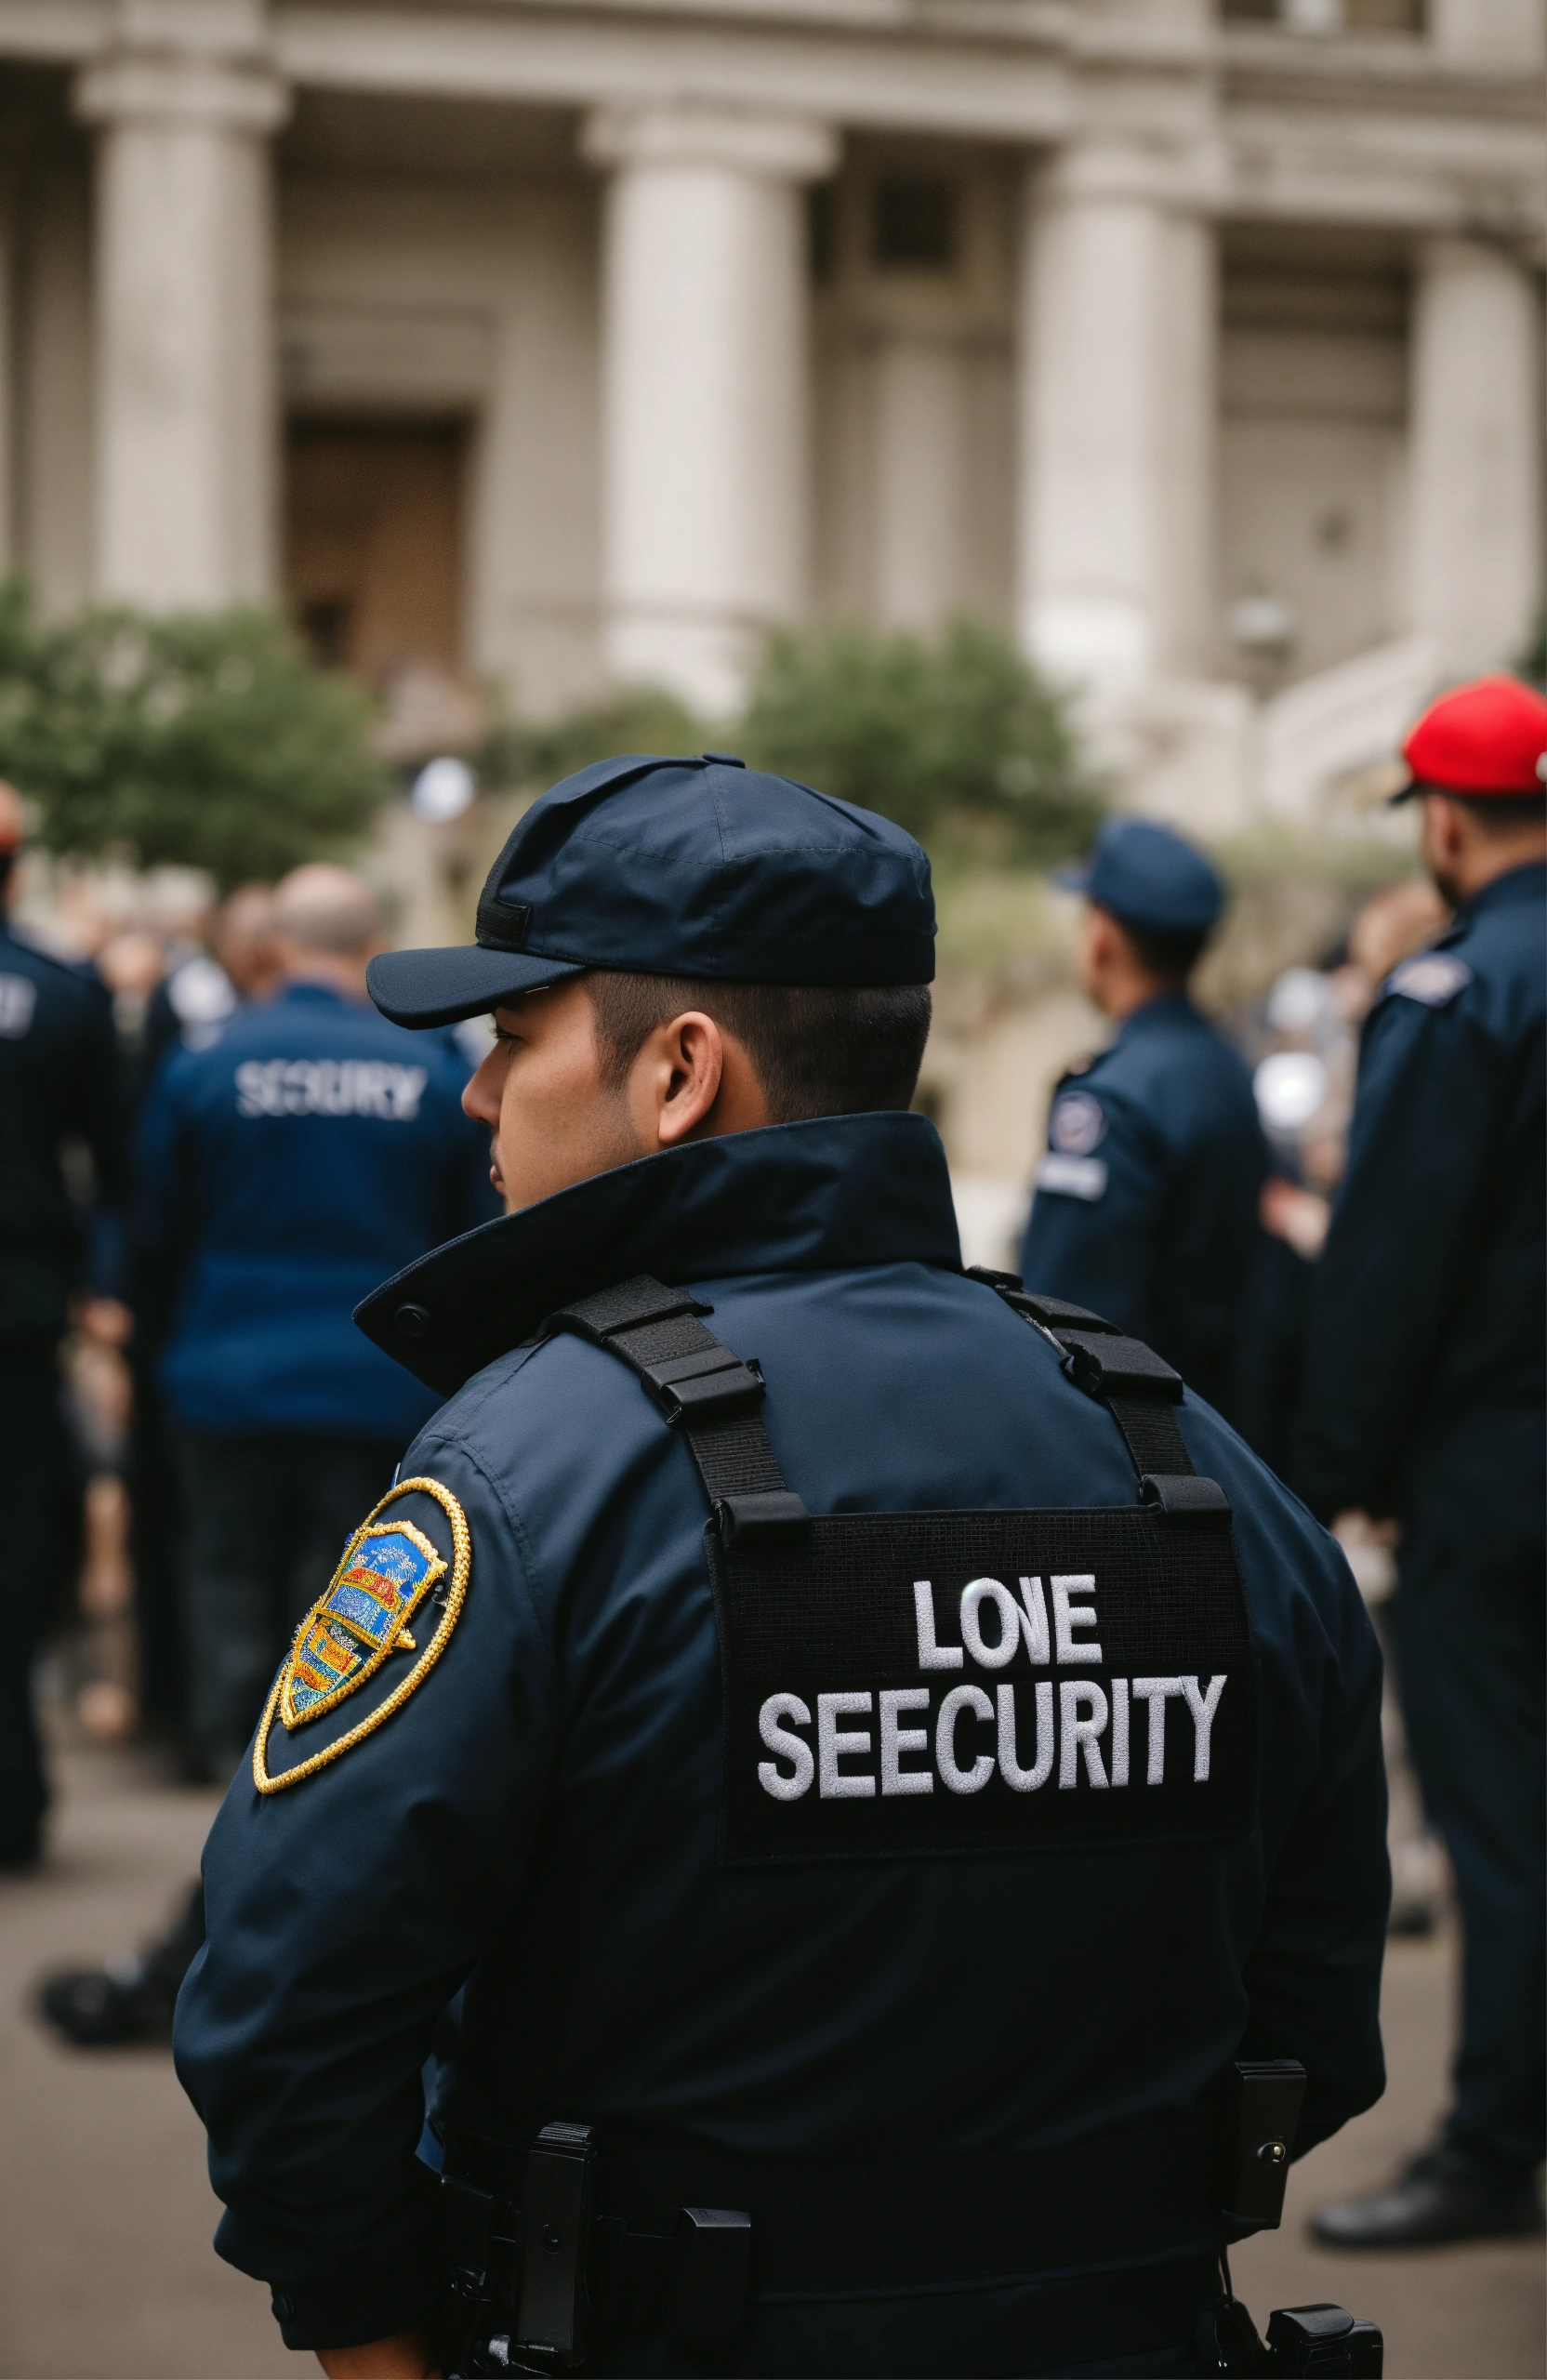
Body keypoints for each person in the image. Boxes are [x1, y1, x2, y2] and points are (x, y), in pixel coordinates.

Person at [171, 752, 1388, 2379]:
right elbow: (1309, 2009)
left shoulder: (532, 1474)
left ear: (677, 1072)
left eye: (513, 1038)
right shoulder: (1181, 1456)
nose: (474, 1097)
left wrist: (372, 2339)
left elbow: (285, 2008)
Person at [1293, 673, 1547, 2250]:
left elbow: (1389, 1259)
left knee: (1500, 1816)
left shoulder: (1458, 996)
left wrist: (1335, 1463)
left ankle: (1491, 2144)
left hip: (1497, 1471)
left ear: (1441, 824)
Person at [1020, 817, 1268, 1419]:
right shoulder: (1226, 1066)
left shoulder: (1112, 1100)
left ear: (1100, 934)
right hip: (1219, 1423)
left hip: (1137, 1450)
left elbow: (1067, 1321)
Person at [0, 782, 131, 1867]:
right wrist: (103, 1283)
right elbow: (116, 1164)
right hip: (17, 1322)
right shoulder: (60, 994)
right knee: (16, 1549)